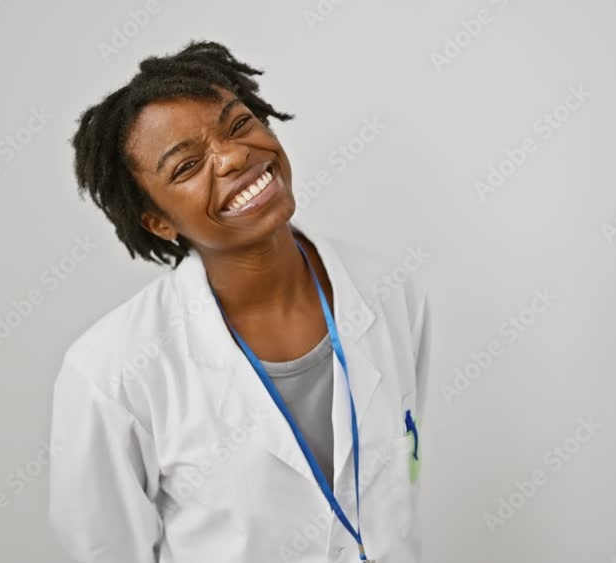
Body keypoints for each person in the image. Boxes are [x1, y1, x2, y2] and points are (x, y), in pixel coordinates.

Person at [48, 40, 430, 563]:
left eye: (238, 124)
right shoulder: (112, 371)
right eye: (186, 167)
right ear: (159, 221)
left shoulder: (388, 290)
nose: (233, 156)